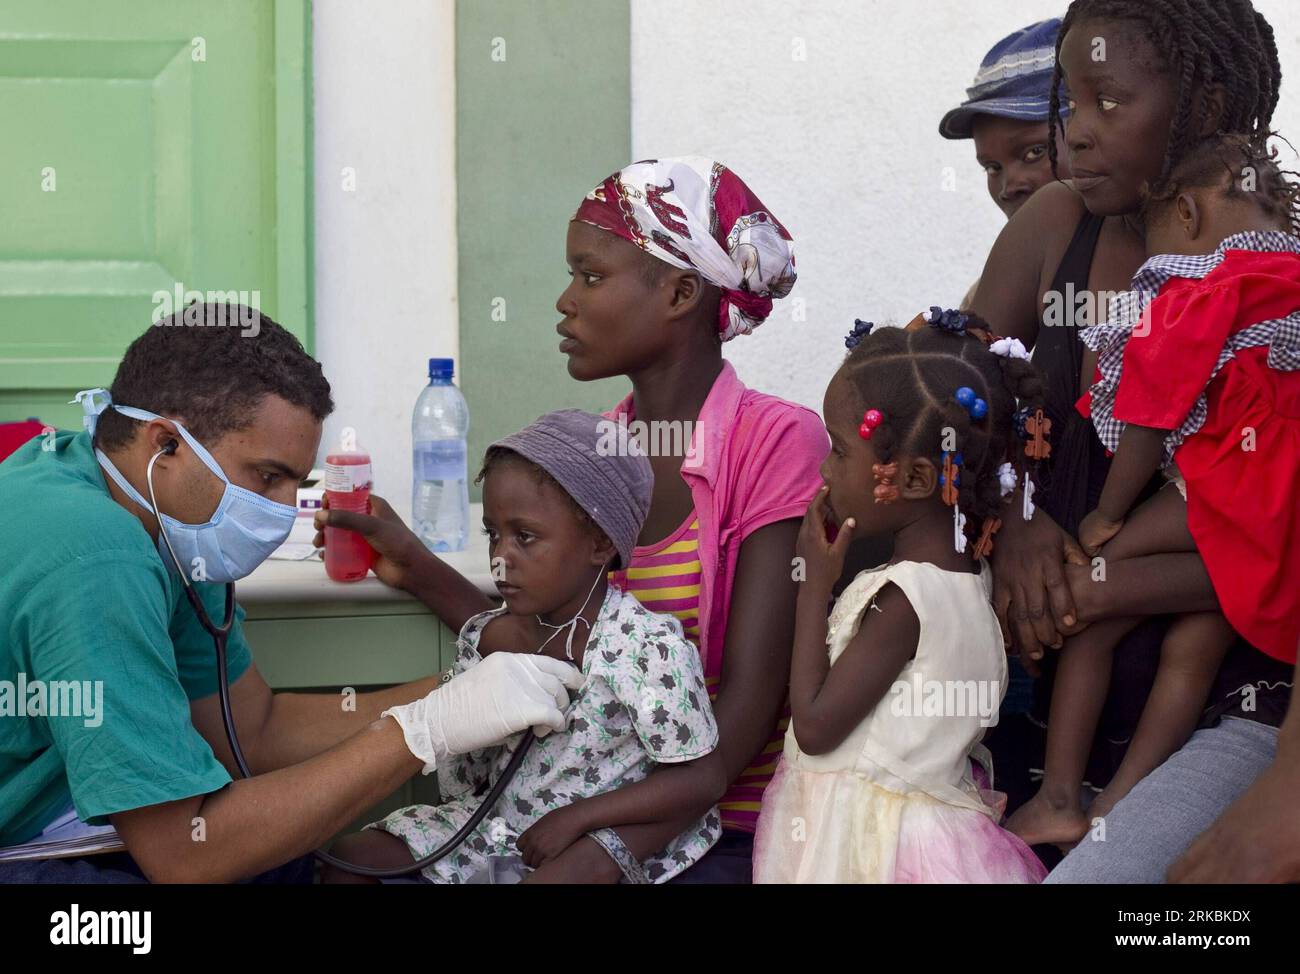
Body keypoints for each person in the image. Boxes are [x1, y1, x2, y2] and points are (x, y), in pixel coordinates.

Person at [318, 157, 827, 883]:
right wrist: (418, 565)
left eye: (589, 277)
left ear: (681, 291)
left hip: (710, 826)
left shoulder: (773, 442)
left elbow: (746, 711)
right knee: (350, 866)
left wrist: (609, 846)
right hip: (566, 801)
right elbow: (560, 648)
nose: (564, 301)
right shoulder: (596, 452)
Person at [0, 307, 581, 883]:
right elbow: (184, 854)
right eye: (266, 477)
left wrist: (459, 694)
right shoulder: (98, 555)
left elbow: (254, 732)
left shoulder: (161, 513)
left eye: (294, 484)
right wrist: (423, 732)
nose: (281, 512)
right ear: (165, 445)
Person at [967, 0, 1294, 880]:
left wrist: (1102, 585)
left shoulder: (1271, 268)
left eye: (1107, 101)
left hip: (1237, 700)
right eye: (1069, 104)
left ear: (1205, 100)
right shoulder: (1055, 227)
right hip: (1049, 686)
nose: (1076, 132)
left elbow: (1277, 537)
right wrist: (1020, 512)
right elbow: (948, 392)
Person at [1008, 136, 1300, 847]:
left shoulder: (1200, 286)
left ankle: (1061, 796)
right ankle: (1120, 806)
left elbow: (1149, 409)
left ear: (1188, 215)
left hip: (1225, 489)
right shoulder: (1288, 279)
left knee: (1088, 597)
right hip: (1283, 507)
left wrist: (1108, 512)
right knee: (1192, 648)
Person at [322, 410, 722, 883]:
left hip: (600, 837)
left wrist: (580, 818)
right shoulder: (491, 636)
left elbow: (701, 780)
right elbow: (467, 782)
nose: (500, 558)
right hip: (498, 828)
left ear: (598, 543)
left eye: (524, 537)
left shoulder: (647, 650)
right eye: (493, 533)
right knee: (352, 859)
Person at [754, 309, 1046, 883]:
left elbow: (815, 730)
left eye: (839, 451)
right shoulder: (971, 582)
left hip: (865, 851)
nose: (824, 469)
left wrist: (815, 584)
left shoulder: (902, 600)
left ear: (913, 479)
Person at [939, 17, 1071, 307]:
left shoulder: (1164, 273)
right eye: (991, 167)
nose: (1008, 188)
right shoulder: (985, 300)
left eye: (1034, 152)